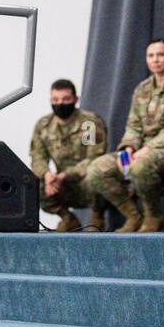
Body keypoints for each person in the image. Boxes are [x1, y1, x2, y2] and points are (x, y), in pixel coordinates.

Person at [84, 39, 164, 232]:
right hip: (140, 149)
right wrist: (128, 148)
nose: (156, 60)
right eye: (151, 56)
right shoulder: (142, 89)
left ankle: (153, 215)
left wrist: (148, 148)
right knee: (96, 169)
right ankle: (133, 216)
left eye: (160, 55)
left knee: (139, 167)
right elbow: (133, 125)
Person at [29, 79, 108, 231]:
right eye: (56, 100)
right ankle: (67, 218)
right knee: (32, 183)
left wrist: (64, 175)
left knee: (98, 173)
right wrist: (47, 176)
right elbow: (37, 158)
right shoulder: (44, 126)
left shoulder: (88, 123)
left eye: (66, 99)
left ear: (75, 100)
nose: (60, 104)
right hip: (61, 185)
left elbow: (93, 159)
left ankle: (97, 218)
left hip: (86, 181)